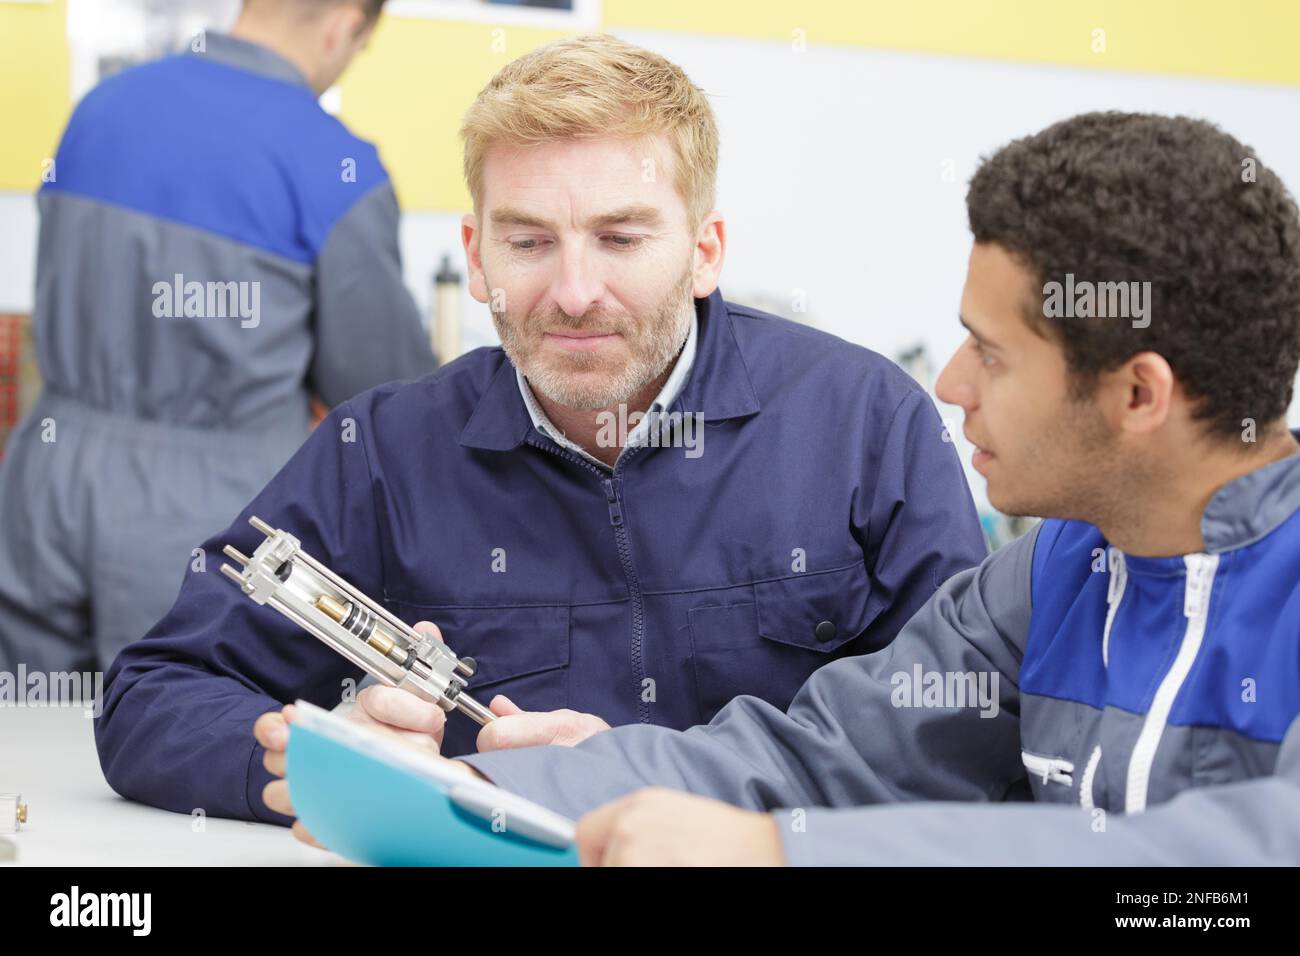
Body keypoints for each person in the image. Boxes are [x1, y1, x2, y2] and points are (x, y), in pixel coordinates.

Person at [283, 112, 1300, 865]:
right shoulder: (1050, 575)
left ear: (1136, 393)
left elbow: (1229, 857)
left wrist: (773, 852)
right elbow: (819, 752)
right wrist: (470, 790)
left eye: (989, 355)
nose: (947, 386)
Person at [94, 34, 986, 826]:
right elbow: (149, 697)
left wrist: (645, 781)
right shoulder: (385, 454)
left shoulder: (865, 423)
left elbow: (966, 727)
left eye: (622, 239)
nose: (573, 293)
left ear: (706, 251)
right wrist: (326, 763)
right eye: (528, 243)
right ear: (477, 255)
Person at [0, 0, 435, 672]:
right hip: (201, 512)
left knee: (23, 742)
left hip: (43, 482)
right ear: (345, 23)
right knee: (164, 748)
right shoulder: (332, 167)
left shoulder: (102, 109)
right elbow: (384, 394)